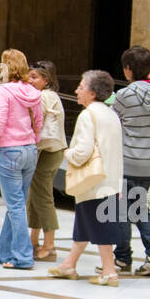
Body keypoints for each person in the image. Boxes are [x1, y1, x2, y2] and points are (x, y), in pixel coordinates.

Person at [48, 69, 124, 286]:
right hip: (108, 181)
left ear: (92, 92)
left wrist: (67, 153)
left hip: (92, 182)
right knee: (85, 223)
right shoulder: (111, 114)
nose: (77, 91)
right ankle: (69, 264)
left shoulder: (88, 115)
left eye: (81, 87)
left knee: (99, 226)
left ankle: (109, 271)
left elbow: (82, 152)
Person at [111, 45, 150, 276]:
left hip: (127, 159)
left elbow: (112, 120)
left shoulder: (125, 95)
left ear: (128, 69)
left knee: (122, 211)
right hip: (148, 160)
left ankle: (124, 259)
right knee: (137, 207)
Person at [0, 48, 43, 269]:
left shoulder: (4, 91)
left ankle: (22, 257)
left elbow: (0, 120)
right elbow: (38, 122)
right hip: (30, 149)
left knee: (16, 206)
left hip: (9, 150)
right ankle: (4, 252)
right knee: (17, 204)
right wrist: (33, 140)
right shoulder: (33, 92)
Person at [25, 60, 65, 260]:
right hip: (48, 151)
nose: (29, 81)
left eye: (34, 77)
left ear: (46, 80)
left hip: (48, 151)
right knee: (35, 195)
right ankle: (34, 239)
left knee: (43, 196)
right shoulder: (49, 95)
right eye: (29, 76)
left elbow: (36, 123)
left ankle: (49, 245)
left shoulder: (44, 96)